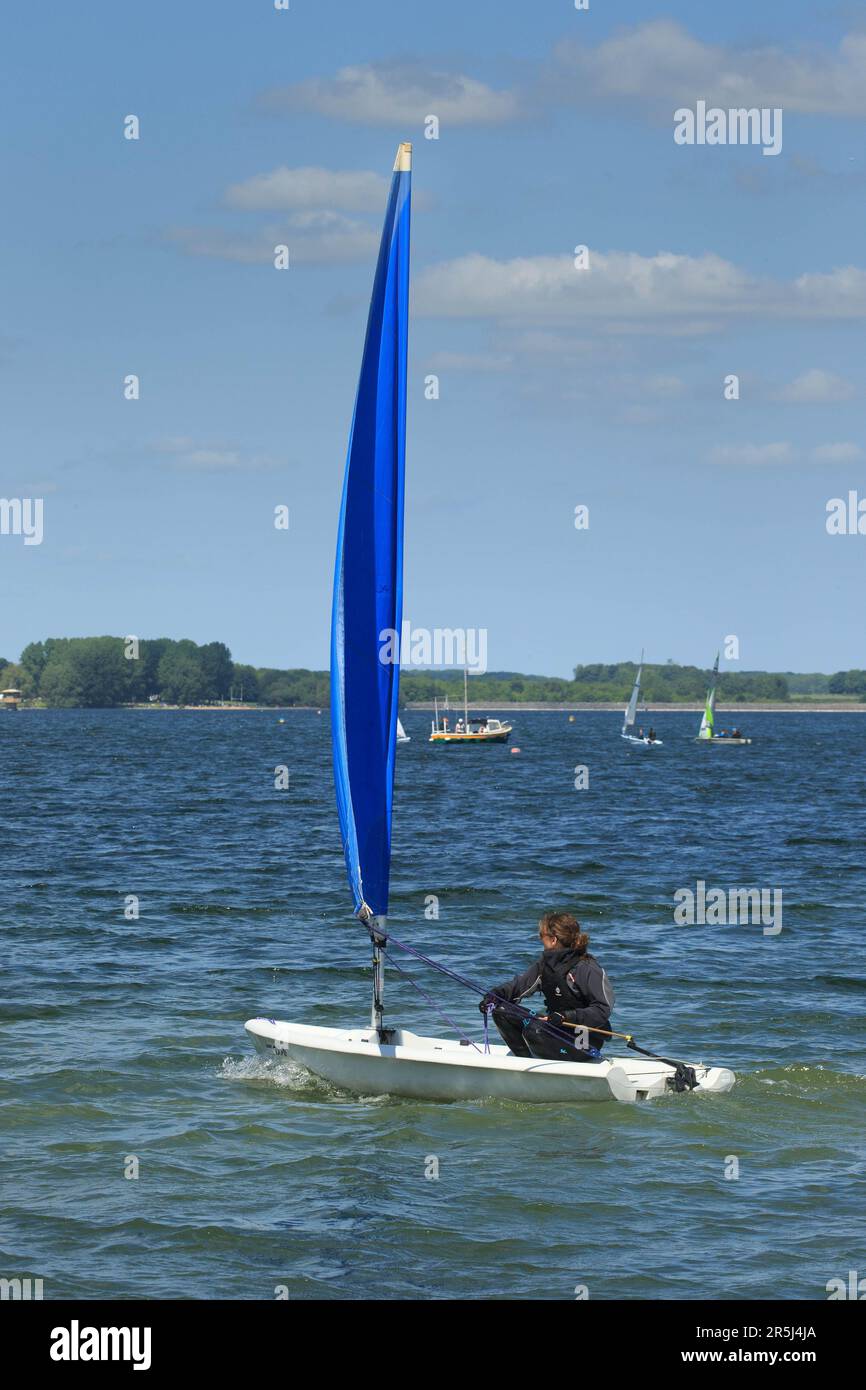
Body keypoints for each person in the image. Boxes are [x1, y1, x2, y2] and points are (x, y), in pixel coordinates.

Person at [479, 911, 614, 1063]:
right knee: (501, 1011)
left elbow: (603, 1009)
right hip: (556, 1030)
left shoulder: (587, 968)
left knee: (534, 1030)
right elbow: (519, 986)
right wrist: (494, 995)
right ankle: (524, 1064)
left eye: (541, 935)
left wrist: (568, 1016)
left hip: (584, 1040)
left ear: (553, 940)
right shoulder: (545, 965)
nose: (539, 938)